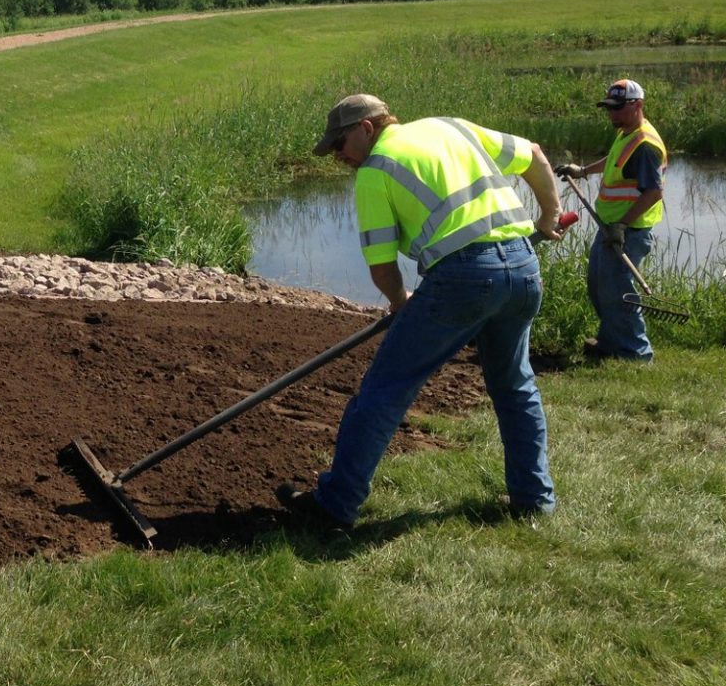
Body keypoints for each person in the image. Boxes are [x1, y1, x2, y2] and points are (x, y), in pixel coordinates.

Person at [277, 94, 564, 529]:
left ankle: (334, 507)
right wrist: (549, 214)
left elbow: (381, 264)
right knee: (514, 385)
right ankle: (534, 501)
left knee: (384, 390)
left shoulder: (376, 170)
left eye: (340, 144)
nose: (339, 156)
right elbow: (535, 156)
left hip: (464, 276)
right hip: (523, 267)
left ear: (367, 129)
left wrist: (399, 301)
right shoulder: (450, 125)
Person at [553, 78, 666, 363]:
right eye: (609, 108)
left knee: (620, 293)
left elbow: (653, 192)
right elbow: (614, 159)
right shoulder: (626, 134)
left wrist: (623, 225)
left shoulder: (645, 145)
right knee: (599, 286)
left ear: (637, 105)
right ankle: (610, 342)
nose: (612, 114)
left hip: (629, 231)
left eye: (617, 108)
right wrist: (582, 171)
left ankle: (637, 354)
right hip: (610, 227)